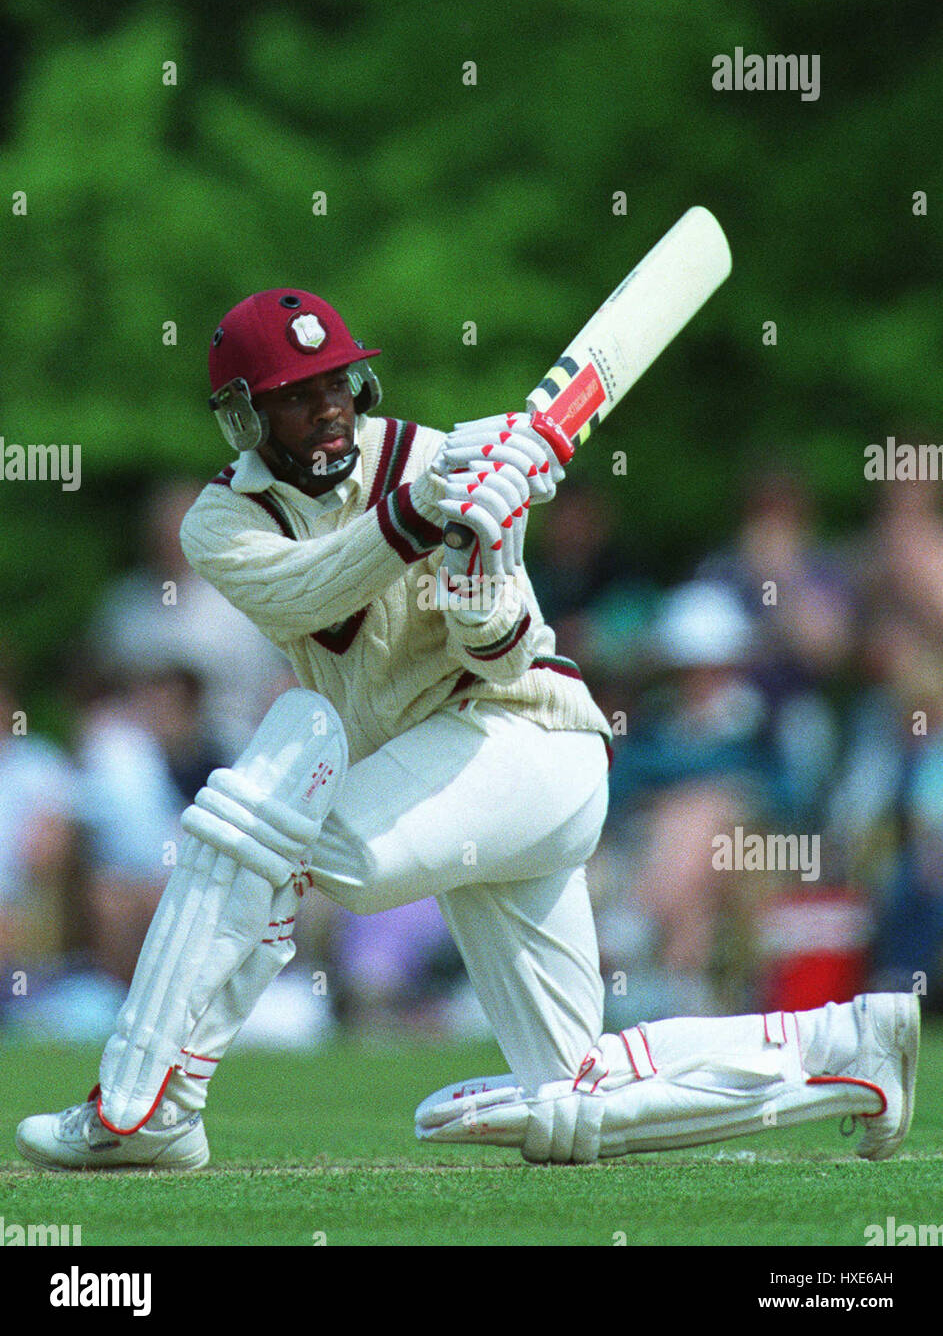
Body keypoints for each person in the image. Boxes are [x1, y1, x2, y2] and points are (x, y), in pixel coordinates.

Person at [16, 289, 917, 1170]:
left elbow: (505, 651)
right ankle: (849, 1048)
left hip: (526, 745)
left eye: (337, 387)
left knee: (268, 815)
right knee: (573, 1092)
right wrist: (419, 517)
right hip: (438, 775)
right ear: (247, 418)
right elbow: (308, 590)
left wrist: (483, 553)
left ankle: (148, 1105)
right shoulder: (222, 521)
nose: (328, 413)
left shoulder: (438, 460)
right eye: (297, 398)